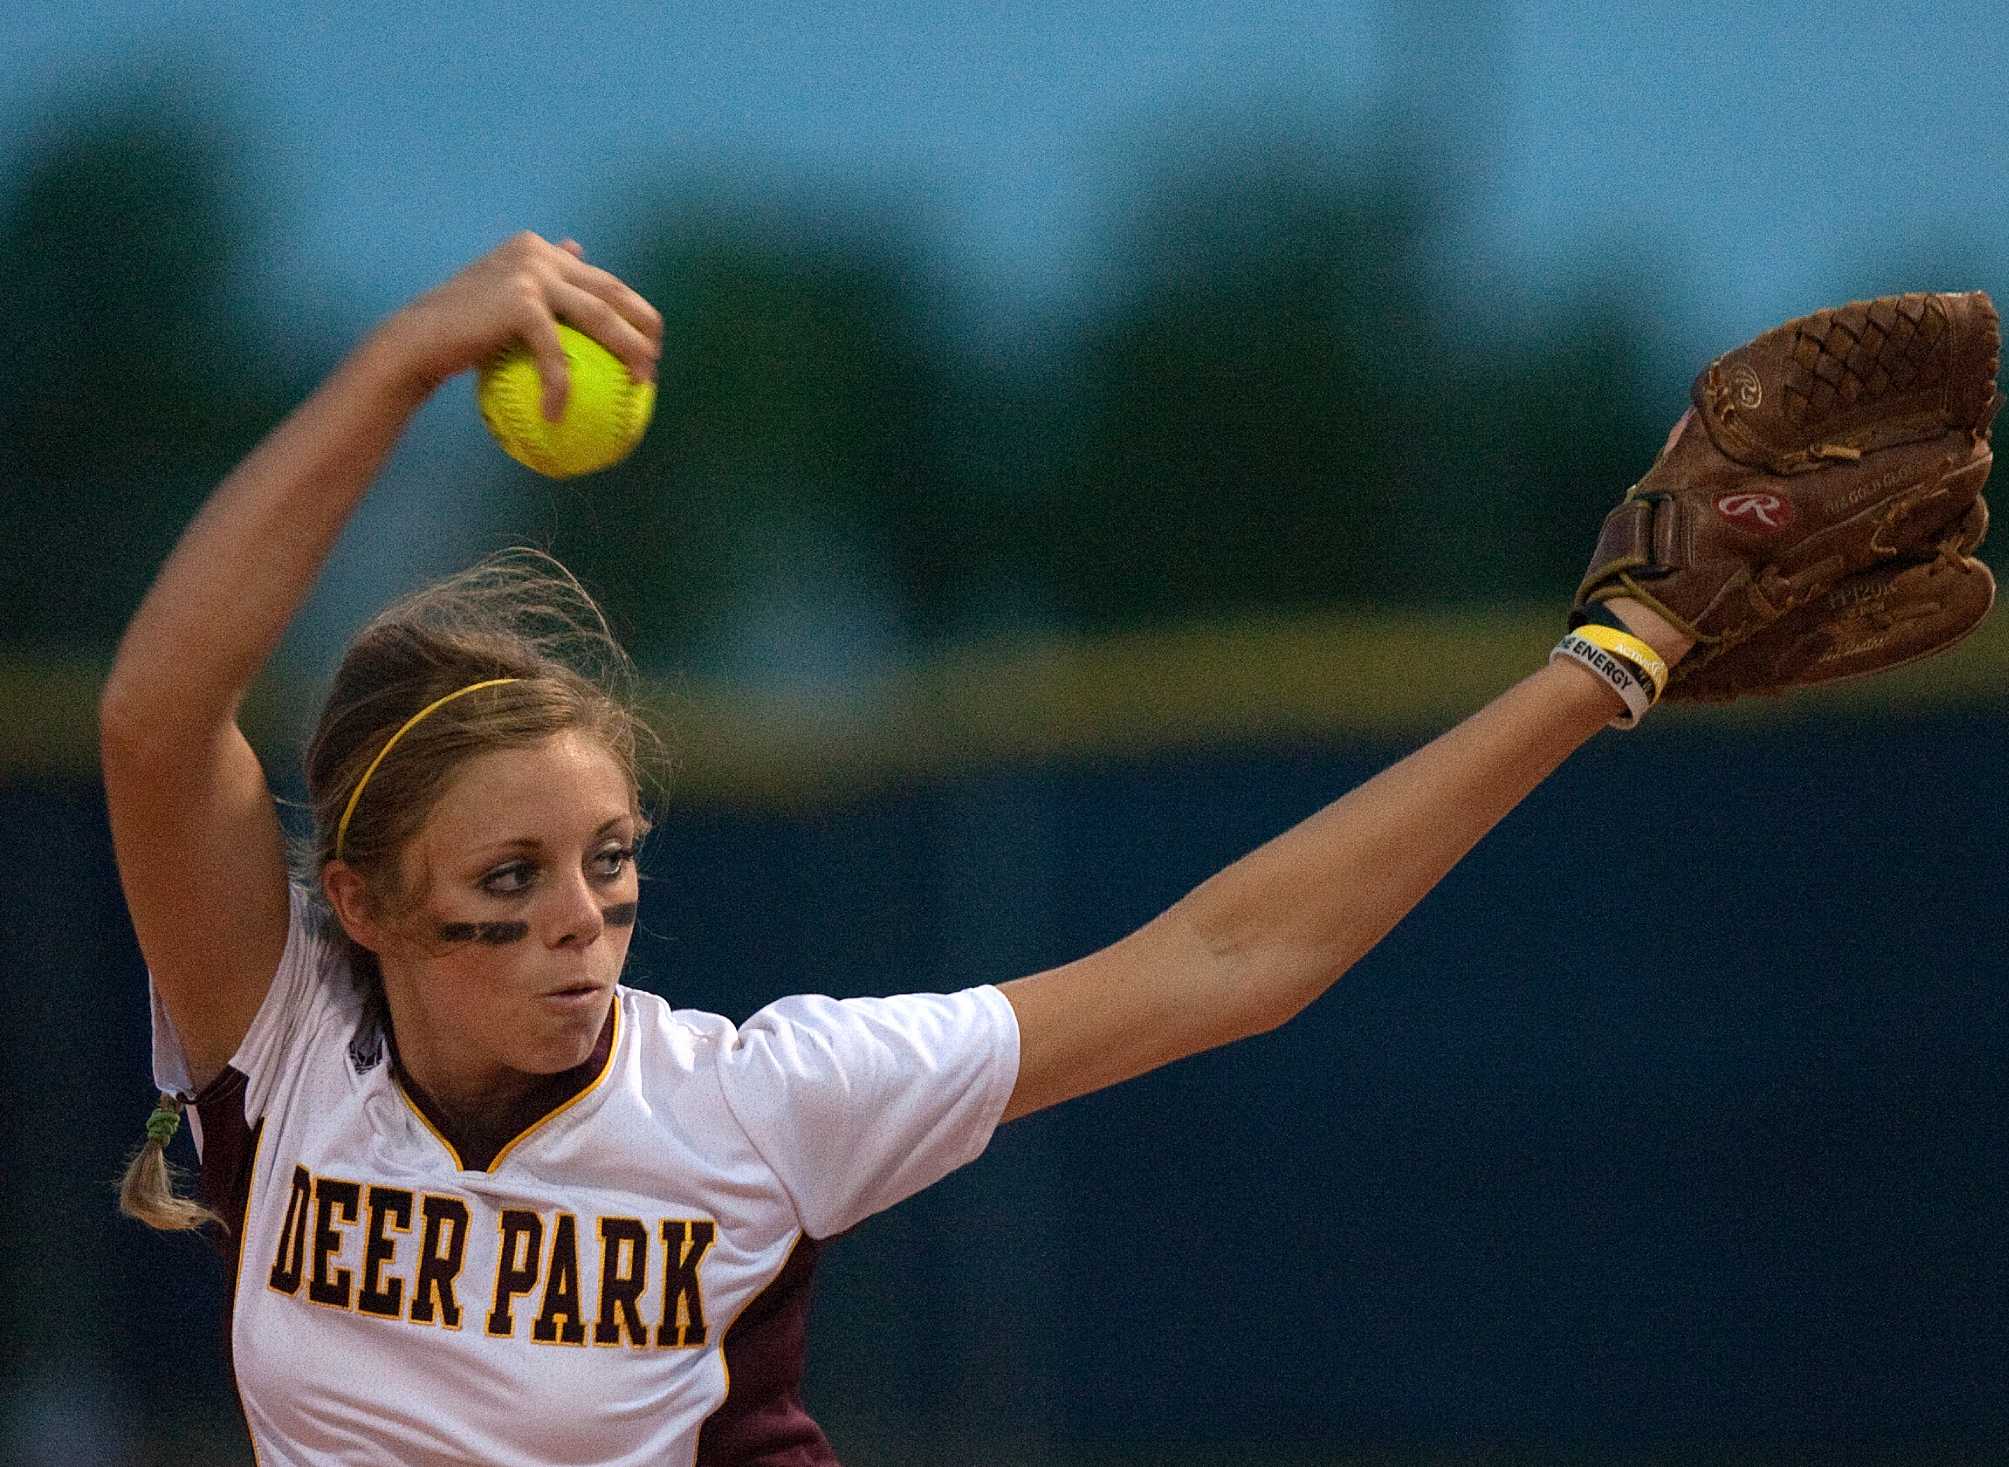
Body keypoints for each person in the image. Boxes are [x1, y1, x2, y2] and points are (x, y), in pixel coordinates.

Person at [105, 232, 1694, 1466]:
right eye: (511, 879)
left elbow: (1227, 959)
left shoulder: (747, 1106)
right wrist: (400, 362)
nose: (582, 918)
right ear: (364, 903)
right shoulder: (288, 1050)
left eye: (610, 856)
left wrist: (1602, 669)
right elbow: (157, 722)